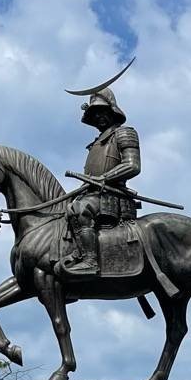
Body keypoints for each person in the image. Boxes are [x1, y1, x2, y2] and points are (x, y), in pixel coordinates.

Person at [61, 84, 141, 277]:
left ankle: (90, 260)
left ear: (112, 111)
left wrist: (103, 179)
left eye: (102, 112)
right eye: (94, 115)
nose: (98, 117)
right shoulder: (95, 144)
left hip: (112, 196)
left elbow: (132, 165)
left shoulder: (124, 133)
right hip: (93, 194)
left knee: (79, 210)